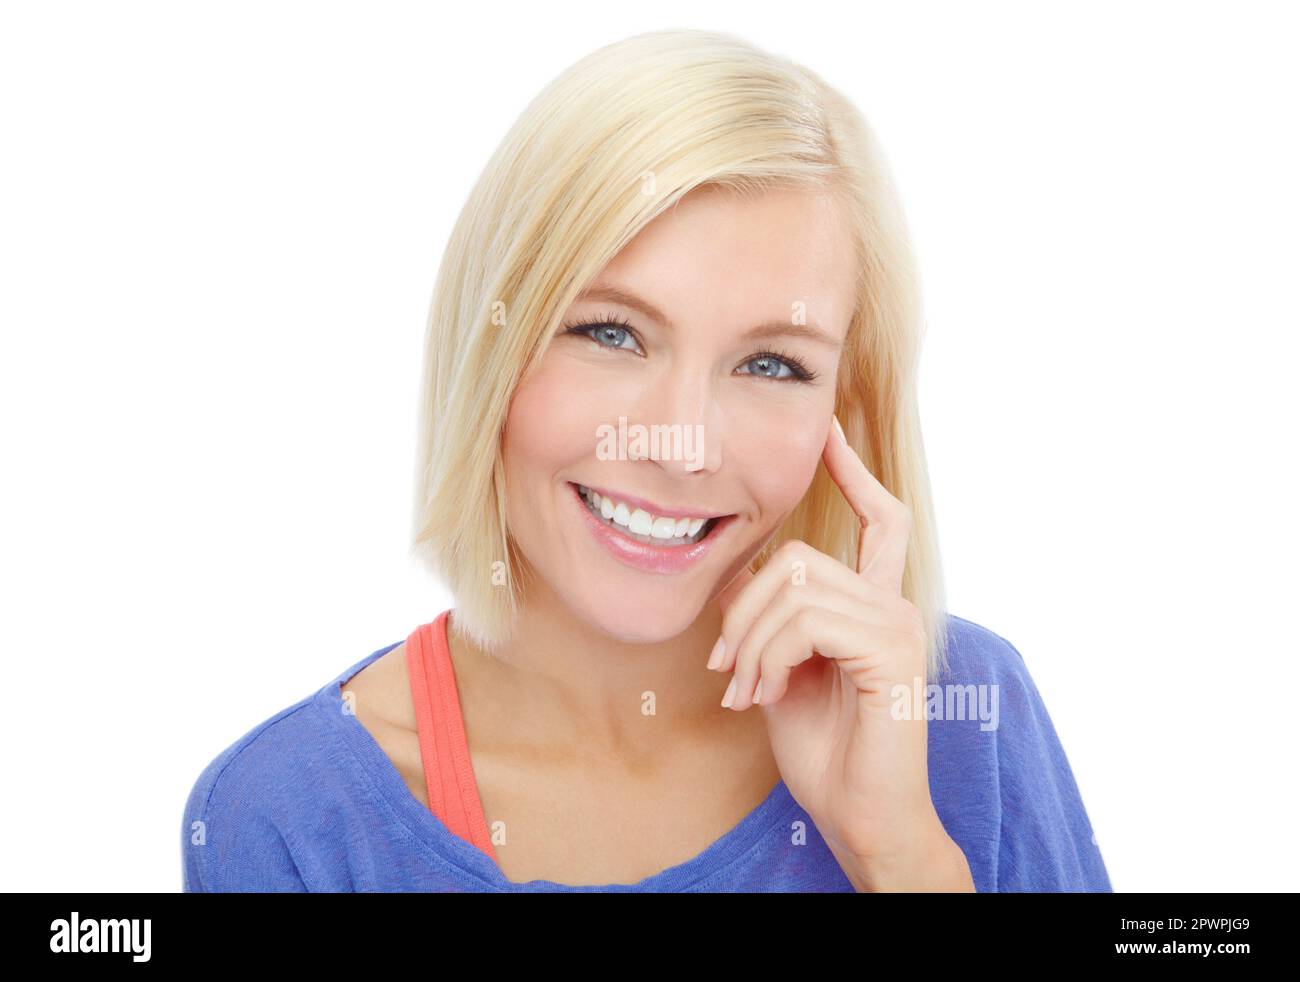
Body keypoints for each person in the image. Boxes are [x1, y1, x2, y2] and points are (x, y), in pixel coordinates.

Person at [181, 28, 1112, 892]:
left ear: (848, 410)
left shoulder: (964, 718)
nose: (681, 442)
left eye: (771, 364)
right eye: (612, 333)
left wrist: (899, 848)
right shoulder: (292, 820)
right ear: (490, 349)